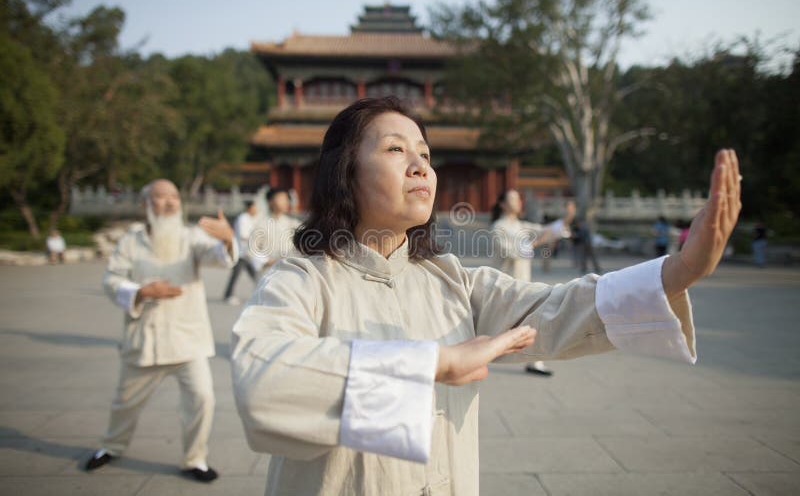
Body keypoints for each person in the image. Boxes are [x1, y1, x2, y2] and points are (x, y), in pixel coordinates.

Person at [230, 97, 741, 496]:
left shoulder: (453, 280)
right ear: (344, 172)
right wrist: (434, 363)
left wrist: (679, 271)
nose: (420, 166)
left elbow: (557, 309)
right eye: (395, 149)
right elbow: (262, 381)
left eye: (426, 155)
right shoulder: (303, 279)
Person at [84, 179, 237, 483]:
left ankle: (195, 458)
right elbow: (111, 280)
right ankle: (111, 446)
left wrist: (228, 240)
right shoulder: (130, 241)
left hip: (186, 338)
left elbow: (217, 257)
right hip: (146, 339)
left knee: (203, 398)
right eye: (160, 197)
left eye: (173, 197)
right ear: (145, 204)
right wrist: (141, 291)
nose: (168, 202)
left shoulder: (191, 236)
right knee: (125, 404)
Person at [490, 191, 575, 376]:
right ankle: (472, 356)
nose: (518, 202)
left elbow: (546, 230)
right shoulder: (498, 227)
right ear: (503, 204)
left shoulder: (522, 225)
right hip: (505, 287)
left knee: (534, 321)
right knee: (492, 325)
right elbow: (509, 252)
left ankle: (535, 362)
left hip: (523, 286)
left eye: (518, 198)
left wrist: (567, 219)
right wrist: (535, 243)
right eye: (513, 198)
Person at [249, 187, 302, 272]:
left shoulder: (293, 223)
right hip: (269, 271)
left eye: (286, 199)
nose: (285, 202)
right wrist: (266, 261)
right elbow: (251, 250)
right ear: (270, 202)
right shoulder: (261, 224)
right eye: (281, 199)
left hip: (289, 270)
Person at [223, 200, 259, 305]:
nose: (256, 210)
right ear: (250, 208)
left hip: (246, 253)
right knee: (239, 275)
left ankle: (262, 293)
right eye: (255, 207)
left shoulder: (250, 218)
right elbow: (243, 235)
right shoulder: (243, 218)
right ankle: (228, 295)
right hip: (241, 252)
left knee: (254, 274)